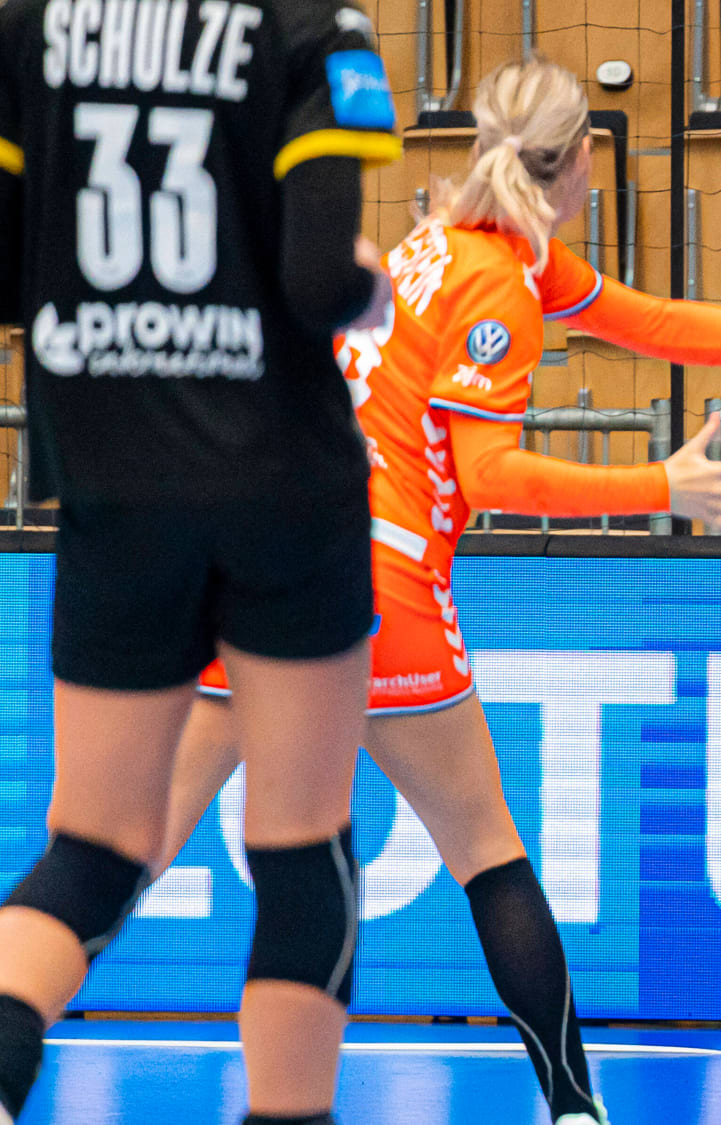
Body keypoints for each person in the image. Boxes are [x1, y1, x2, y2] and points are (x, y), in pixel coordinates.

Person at [156, 57, 721, 1125]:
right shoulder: (498, 288)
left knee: (127, 842)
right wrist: (667, 485)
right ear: (587, 159)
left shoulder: (437, 246)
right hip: (384, 596)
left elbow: (643, 321)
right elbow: (490, 477)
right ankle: (572, 1109)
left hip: (271, 574)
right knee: (487, 854)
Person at [0, 2, 404, 1121]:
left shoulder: (28, 28)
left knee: (91, 844)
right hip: (286, 492)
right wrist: (370, 288)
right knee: (302, 847)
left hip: (111, 477)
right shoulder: (314, 31)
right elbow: (322, 280)